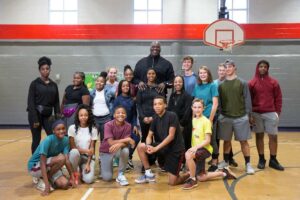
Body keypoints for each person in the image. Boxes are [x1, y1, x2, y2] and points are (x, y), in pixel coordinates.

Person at [183, 99, 236, 190]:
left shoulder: (206, 121)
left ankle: (192, 180)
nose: (197, 109)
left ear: (203, 108)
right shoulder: (192, 121)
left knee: (188, 155)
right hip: (196, 150)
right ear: (192, 108)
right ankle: (223, 172)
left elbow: (207, 140)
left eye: (199, 107)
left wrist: (195, 147)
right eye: (195, 107)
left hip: (205, 149)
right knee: (201, 177)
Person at [135, 96, 189, 185]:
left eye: (160, 104)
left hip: (175, 150)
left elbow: (171, 136)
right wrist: (148, 146)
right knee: (141, 146)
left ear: (165, 105)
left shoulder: (172, 115)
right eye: (155, 104)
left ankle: (189, 174)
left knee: (172, 182)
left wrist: (155, 149)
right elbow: (149, 136)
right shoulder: (155, 118)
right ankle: (148, 174)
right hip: (163, 147)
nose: (157, 106)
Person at [217, 59, 255, 174]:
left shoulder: (242, 83)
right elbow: (219, 102)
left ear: (234, 68)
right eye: (226, 67)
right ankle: (226, 161)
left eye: (229, 67)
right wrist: (220, 116)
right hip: (226, 117)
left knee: (244, 141)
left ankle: (248, 164)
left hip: (241, 117)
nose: (227, 69)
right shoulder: (221, 85)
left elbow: (247, 99)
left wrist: (249, 115)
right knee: (226, 141)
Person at [249, 60, 284, 171]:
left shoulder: (274, 82)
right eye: (260, 66)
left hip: (270, 113)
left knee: (273, 136)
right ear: (257, 68)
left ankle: (273, 160)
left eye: (265, 67)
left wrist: (277, 113)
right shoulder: (252, 83)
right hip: (256, 114)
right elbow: (248, 100)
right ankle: (261, 159)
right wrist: (250, 115)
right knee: (259, 136)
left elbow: (278, 98)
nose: (263, 68)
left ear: (267, 68)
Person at [27, 119, 75, 196]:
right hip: (35, 166)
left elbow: (67, 160)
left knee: (65, 184)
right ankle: (42, 181)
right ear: (53, 131)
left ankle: (46, 178)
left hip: (49, 165)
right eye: (58, 129)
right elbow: (42, 162)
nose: (61, 131)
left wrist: (72, 177)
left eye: (63, 128)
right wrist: (47, 186)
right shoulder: (48, 140)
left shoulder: (66, 140)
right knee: (61, 158)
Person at [27, 56, 60, 154]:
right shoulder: (34, 84)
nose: (45, 71)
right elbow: (31, 102)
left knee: (53, 137)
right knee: (36, 140)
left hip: (48, 116)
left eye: (47, 69)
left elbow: (56, 102)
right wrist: (35, 119)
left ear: (50, 69)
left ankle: (52, 158)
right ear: (39, 70)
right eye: (43, 69)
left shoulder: (53, 85)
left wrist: (58, 116)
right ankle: (34, 163)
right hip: (36, 115)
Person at [99, 106, 135, 186]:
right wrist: (127, 140)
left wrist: (121, 143)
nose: (120, 114)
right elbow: (111, 142)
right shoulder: (108, 125)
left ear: (125, 115)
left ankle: (120, 175)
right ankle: (103, 163)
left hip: (118, 149)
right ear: (114, 115)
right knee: (107, 178)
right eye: (118, 113)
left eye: (123, 113)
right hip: (106, 150)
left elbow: (125, 144)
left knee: (125, 150)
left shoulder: (128, 125)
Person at [192, 66, 219, 172]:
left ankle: (214, 162)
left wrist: (210, 120)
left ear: (208, 74)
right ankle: (200, 160)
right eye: (201, 73)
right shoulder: (197, 86)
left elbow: (215, 104)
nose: (202, 74)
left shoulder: (213, 85)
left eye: (205, 73)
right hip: (198, 117)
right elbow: (194, 102)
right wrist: (194, 117)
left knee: (211, 140)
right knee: (198, 138)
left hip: (209, 117)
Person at [214, 63, 238, 169]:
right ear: (217, 71)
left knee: (227, 137)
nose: (221, 72)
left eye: (223, 70)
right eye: (220, 70)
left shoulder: (230, 83)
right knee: (216, 137)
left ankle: (229, 158)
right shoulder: (214, 83)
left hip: (227, 113)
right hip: (217, 113)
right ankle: (215, 158)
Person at [113, 80, 140, 170]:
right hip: (120, 125)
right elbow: (114, 114)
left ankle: (129, 157)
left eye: (127, 86)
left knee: (136, 137)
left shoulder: (132, 99)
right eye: (123, 86)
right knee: (124, 141)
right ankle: (121, 159)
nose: (125, 87)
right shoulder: (117, 99)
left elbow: (134, 113)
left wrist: (135, 125)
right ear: (121, 87)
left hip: (130, 124)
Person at [68, 104, 98, 184]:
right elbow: (72, 148)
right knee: (74, 152)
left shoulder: (94, 129)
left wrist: (88, 164)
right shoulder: (72, 128)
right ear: (77, 116)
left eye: (85, 115)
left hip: (87, 158)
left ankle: (82, 169)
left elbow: (91, 150)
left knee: (89, 180)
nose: (83, 117)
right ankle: (75, 172)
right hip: (76, 156)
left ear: (89, 116)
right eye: (81, 115)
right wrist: (86, 150)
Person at [136, 68, 165, 143]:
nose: (151, 75)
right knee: (144, 139)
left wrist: (153, 117)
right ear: (146, 75)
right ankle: (145, 155)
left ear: (155, 75)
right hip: (143, 119)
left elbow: (162, 105)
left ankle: (156, 154)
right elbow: (138, 104)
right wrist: (143, 117)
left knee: (158, 138)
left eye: (153, 73)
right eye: (149, 73)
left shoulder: (159, 88)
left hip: (157, 118)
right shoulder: (142, 87)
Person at [167, 75, 193, 151]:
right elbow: (169, 110)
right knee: (175, 144)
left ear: (183, 83)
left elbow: (187, 112)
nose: (177, 83)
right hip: (174, 124)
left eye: (180, 82)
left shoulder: (187, 96)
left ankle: (185, 161)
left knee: (184, 144)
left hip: (184, 125)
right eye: (175, 82)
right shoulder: (172, 95)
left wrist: (181, 124)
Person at [90, 72, 113, 141]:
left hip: (106, 119)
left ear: (105, 83)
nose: (99, 83)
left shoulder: (108, 91)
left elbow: (115, 92)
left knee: (104, 140)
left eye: (102, 82)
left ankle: (102, 152)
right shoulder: (91, 92)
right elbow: (89, 105)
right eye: (97, 81)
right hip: (94, 119)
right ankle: (92, 152)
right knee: (93, 140)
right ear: (95, 82)